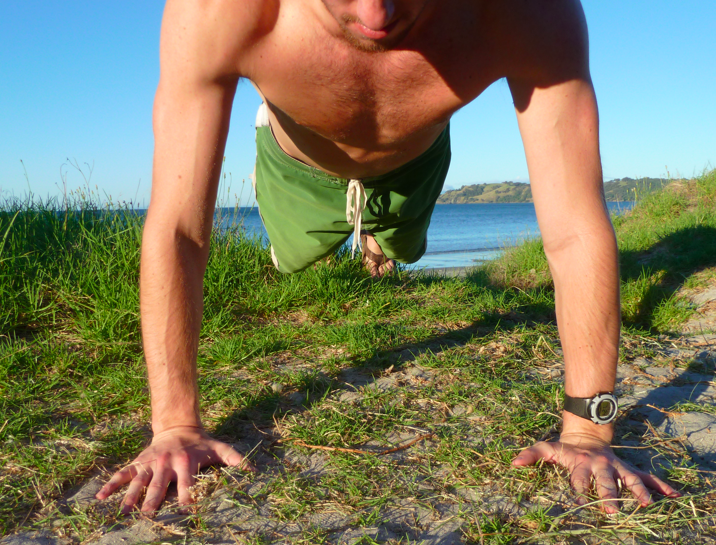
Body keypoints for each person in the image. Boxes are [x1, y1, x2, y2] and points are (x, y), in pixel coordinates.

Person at [95, 0, 681, 515]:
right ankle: (302, 168)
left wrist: (589, 429)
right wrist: (174, 425)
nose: (378, 13)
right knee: (296, 260)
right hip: (297, 162)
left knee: (403, 250)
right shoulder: (221, 10)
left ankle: (377, 232)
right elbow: (179, 230)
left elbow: (575, 229)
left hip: (416, 156)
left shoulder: (526, 11)